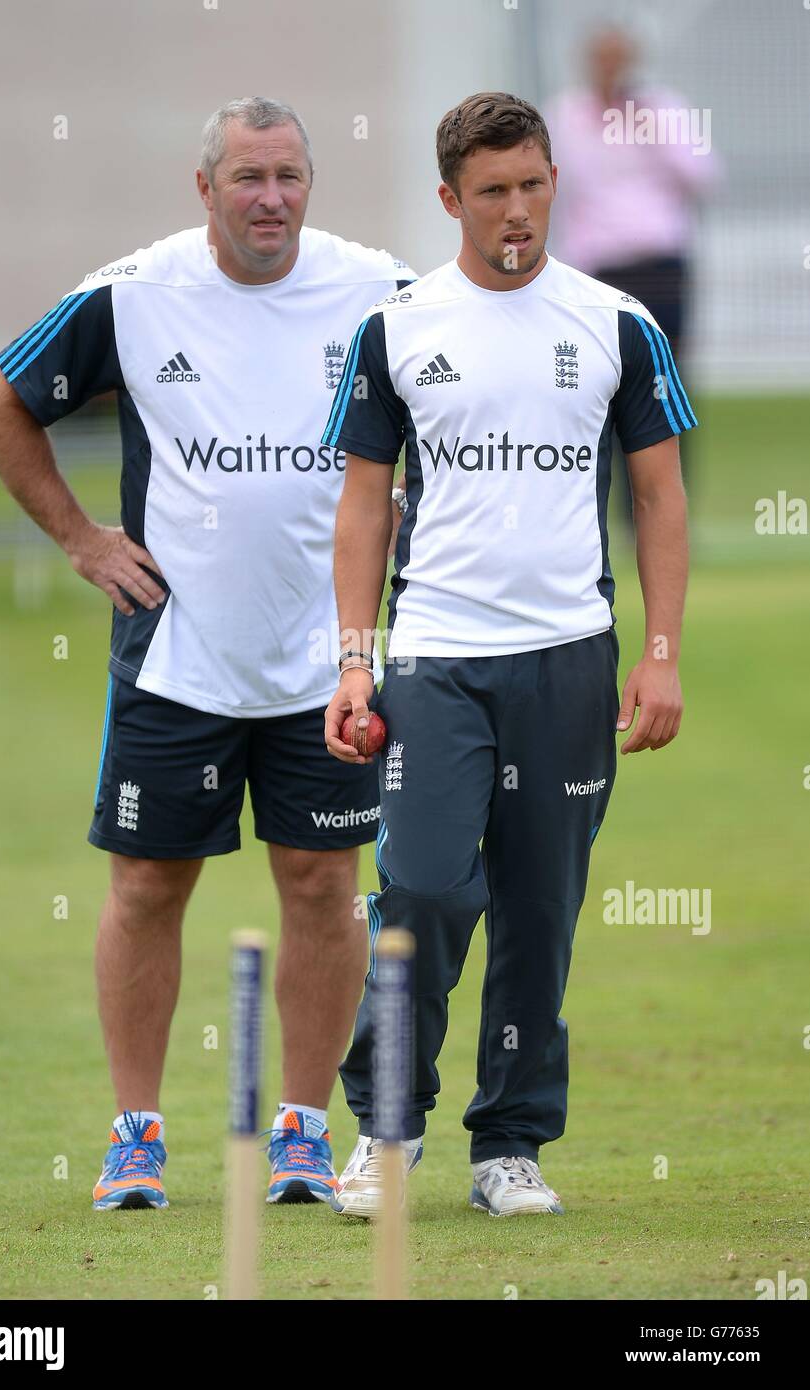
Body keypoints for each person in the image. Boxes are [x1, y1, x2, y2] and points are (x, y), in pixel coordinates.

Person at [0, 96, 414, 1212]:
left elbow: (458, 400)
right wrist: (79, 538)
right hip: (178, 657)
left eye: (292, 177)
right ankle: (136, 1136)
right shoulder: (134, 292)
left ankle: (303, 1134)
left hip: (330, 657)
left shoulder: (380, 290)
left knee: (322, 884)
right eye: (249, 178)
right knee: (146, 886)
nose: (273, 199)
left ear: (314, 184)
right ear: (203, 188)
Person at [323, 92, 695, 1217]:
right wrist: (353, 659)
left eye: (533, 184)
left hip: (571, 661)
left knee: (541, 908)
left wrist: (662, 651)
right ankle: (388, 1129)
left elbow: (658, 493)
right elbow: (361, 506)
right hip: (435, 658)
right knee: (427, 887)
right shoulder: (395, 329)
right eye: (493, 192)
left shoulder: (616, 322)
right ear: (451, 200)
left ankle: (511, 1146)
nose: (518, 210)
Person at [547, 27, 717, 520]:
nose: (611, 71)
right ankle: (603, 509)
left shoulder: (663, 108)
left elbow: (704, 175)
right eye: (602, 60)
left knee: (666, 386)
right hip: (599, 270)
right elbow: (557, 188)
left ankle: (665, 504)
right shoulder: (566, 114)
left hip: (661, 266)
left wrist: (648, 127)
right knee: (596, 386)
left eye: (619, 61)